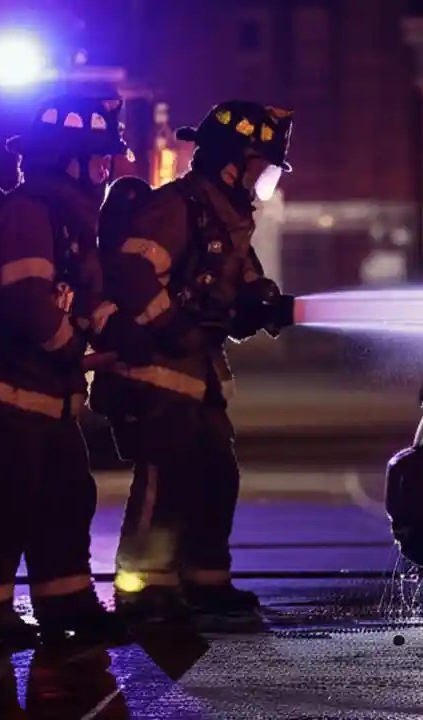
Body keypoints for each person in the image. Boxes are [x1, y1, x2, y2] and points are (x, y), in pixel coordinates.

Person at [0, 94, 151, 644]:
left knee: (67, 497)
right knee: (4, 502)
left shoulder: (71, 223)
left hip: (49, 402)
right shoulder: (27, 213)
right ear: (70, 162)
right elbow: (27, 300)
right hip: (5, 396)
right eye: (101, 162)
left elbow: (86, 297)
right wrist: (66, 347)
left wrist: (119, 329)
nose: (107, 175)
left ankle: (66, 606)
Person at [90, 100, 295, 623]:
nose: (263, 181)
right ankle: (143, 590)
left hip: (195, 374)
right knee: (166, 475)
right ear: (233, 161)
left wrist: (263, 301)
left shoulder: (227, 218)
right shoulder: (178, 208)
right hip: (154, 370)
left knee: (216, 473)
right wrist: (169, 325)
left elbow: (242, 278)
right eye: (261, 166)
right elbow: (133, 272)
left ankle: (205, 581)